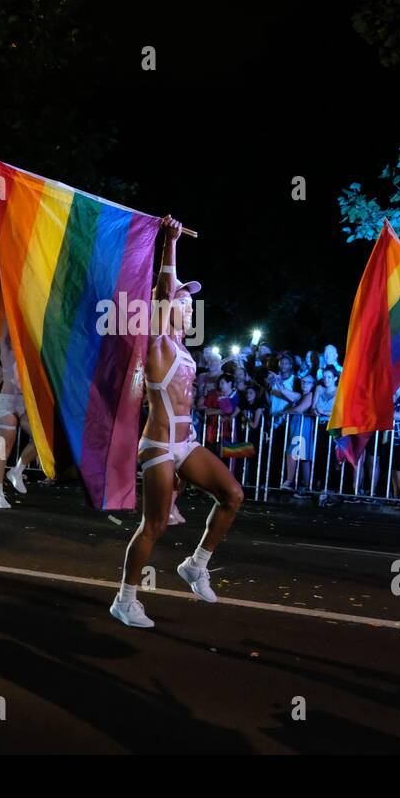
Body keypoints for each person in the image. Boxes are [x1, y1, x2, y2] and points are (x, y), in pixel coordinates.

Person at [111, 216, 244, 629]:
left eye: (191, 304)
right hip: (158, 447)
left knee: (233, 495)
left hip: (185, 445)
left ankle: (196, 564)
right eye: (184, 303)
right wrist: (170, 242)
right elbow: (165, 288)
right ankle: (125, 599)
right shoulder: (158, 340)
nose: (189, 308)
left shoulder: (185, 351)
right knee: (152, 526)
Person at [0, 324, 38, 509]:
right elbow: (4, 336)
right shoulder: (8, 353)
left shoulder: (33, 356)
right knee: (3, 448)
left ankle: (17, 471)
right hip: (8, 402)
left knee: (41, 442)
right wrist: (11, 312)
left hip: (26, 403)